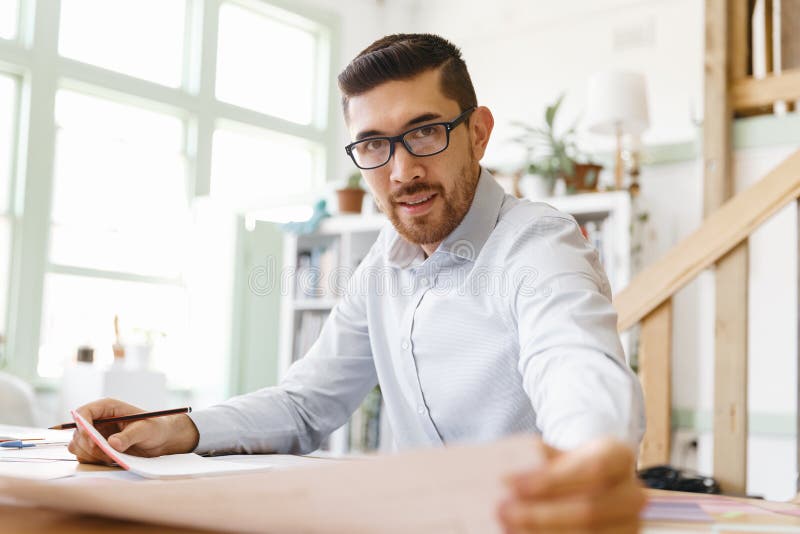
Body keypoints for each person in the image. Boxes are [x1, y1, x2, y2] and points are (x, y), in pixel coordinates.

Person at [70, 33, 647, 532]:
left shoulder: (540, 245)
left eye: (424, 132)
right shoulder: (380, 268)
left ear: (478, 132)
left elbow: (574, 362)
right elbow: (303, 407)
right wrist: (176, 428)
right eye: (374, 144)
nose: (402, 171)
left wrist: (592, 457)